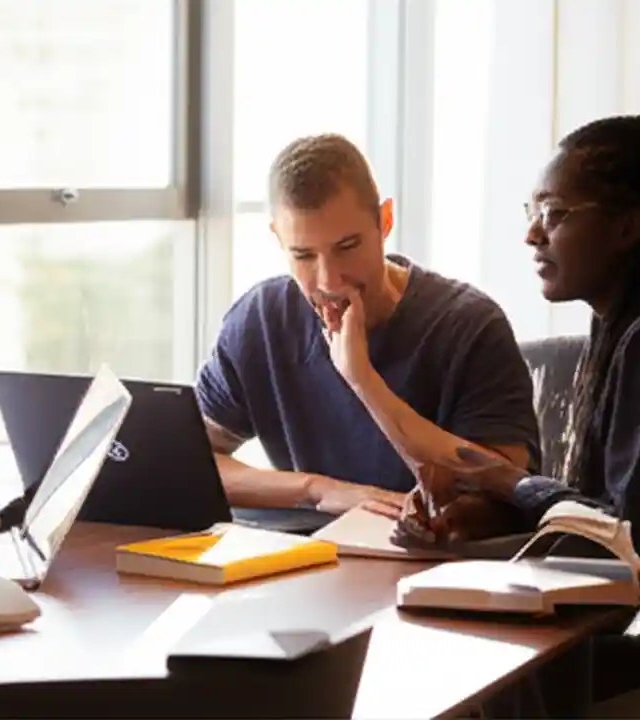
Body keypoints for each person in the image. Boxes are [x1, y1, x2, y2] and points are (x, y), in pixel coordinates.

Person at [395, 111, 640, 716]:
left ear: (628, 226)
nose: (531, 234)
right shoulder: (634, 329)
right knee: (492, 687)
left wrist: (511, 482)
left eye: (553, 214)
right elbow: (605, 512)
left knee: (509, 692)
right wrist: (480, 517)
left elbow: (639, 551)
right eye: (531, 212)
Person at [196, 134, 539, 515]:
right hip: (315, 559)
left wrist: (363, 380)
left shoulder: (469, 325)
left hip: (439, 567)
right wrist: (317, 490)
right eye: (304, 255)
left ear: (385, 220)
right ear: (278, 237)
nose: (329, 281)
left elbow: (507, 488)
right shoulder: (260, 320)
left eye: (347, 247)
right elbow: (191, 458)